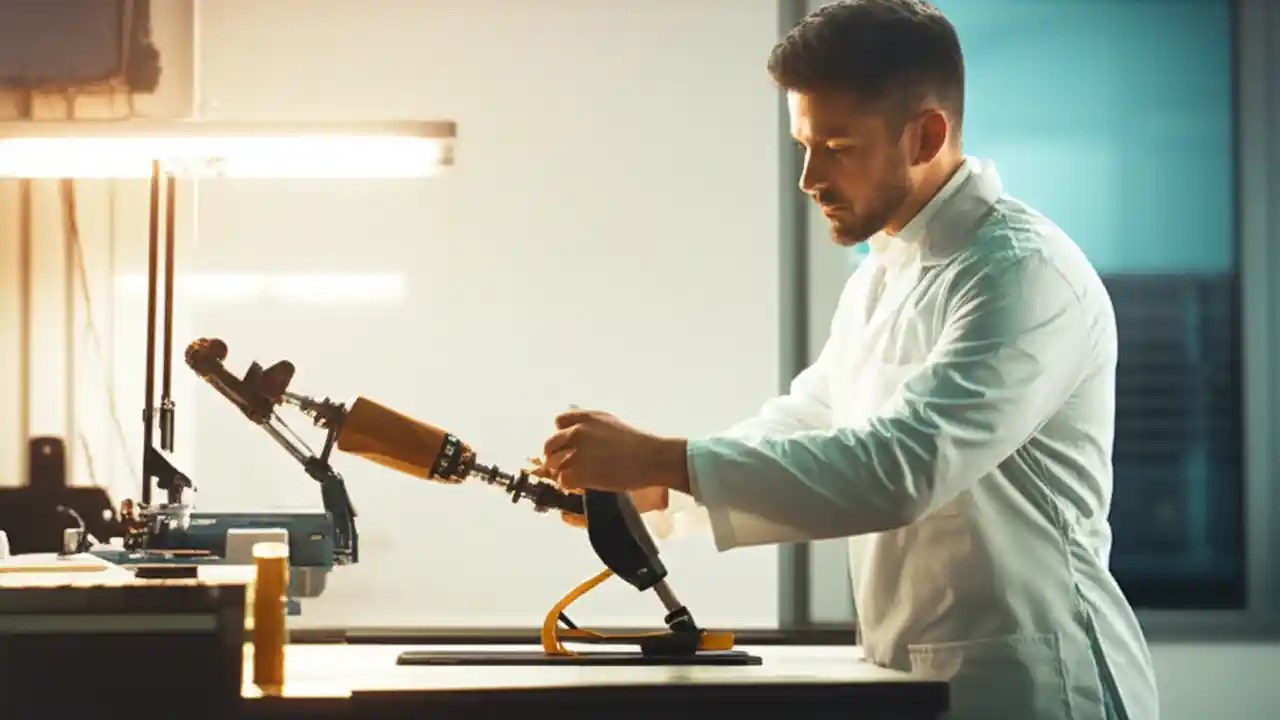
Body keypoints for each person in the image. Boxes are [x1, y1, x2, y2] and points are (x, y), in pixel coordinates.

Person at [539, 1, 1158, 718]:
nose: (809, 177)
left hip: (1044, 687)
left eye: (837, 147)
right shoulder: (881, 276)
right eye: (804, 145)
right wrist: (656, 489)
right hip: (919, 677)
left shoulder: (1021, 273)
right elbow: (813, 422)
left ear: (926, 136)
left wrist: (662, 458)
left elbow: (902, 467)